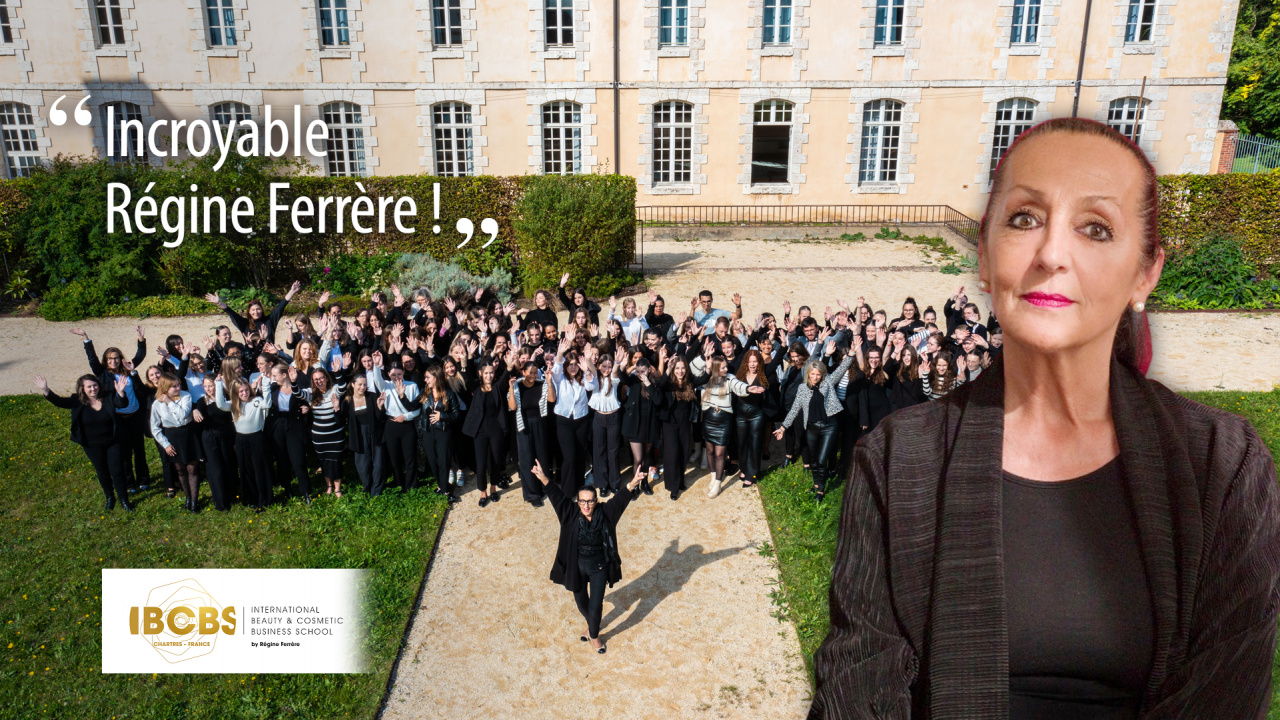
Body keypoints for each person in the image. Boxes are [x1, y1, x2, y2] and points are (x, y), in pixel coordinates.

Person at [808, 118, 1280, 719]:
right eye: (1025, 219)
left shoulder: (1223, 464)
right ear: (985, 256)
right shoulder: (897, 459)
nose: (1052, 254)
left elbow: (1224, 694)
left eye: (1096, 228)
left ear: (1145, 274)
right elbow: (857, 687)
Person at [531, 460, 644, 655]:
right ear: (578, 501)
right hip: (576, 567)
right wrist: (543, 477)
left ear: (596, 501)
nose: (586, 505)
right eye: (582, 501)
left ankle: (594, 635)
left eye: (590, 501)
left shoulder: (606, 513)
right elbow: (556, 495)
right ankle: (593, 624)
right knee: (582, 603)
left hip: (599, 567)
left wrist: (633, 483)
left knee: (595, 606)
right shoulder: (569, 513)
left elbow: (620, 500)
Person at [34, 372, 135, 512]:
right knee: (102, 471)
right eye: (89, 387)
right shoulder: (77, 400)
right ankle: (110, 498)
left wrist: (120, 392)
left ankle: (124, 500)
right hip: (92, 445)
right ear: (82, 388)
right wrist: (46, 390)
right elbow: (59, 402)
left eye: (95, 385)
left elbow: (122, 403)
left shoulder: (107, 396)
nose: (93, 389)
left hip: (113, 441)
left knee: (117, 470)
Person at [773, 343, 851, 503]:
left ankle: (821, 490)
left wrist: (852, 354)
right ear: (808, 374)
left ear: (822, 374)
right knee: (814, 460)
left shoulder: (827, 382)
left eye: (818, 374)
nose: (815, 377)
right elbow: (794, 409)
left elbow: (841, 369)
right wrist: (783, 427)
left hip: (829, 426)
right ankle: (816, 484)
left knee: (822, 460)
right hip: (812, 428)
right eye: (812, 374)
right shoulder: (802, 388)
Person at [216, 375, 273, 512]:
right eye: (240, 391)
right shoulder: (233, 404)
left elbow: (267, 404)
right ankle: (251, 499)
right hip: (241, 439)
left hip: (257, 438)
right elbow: (220, 404)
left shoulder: (256, 401)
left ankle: (263, 500)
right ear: (236, 393)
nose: (244, 393)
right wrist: (218, 385)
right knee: (246, 470)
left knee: (259, 469)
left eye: (246, 390)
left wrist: (266, 385)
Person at [461, 359, 511, 507]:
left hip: (496, 431)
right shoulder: (476, 388)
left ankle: (493, 488)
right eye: (486, 373)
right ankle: (483, 492)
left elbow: (505, 377)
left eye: (491, 373)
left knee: (495, 461)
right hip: (480, 432)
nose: (489, 376)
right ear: (480, 374)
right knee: (481, 464)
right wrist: (464, 361)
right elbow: (467, 378)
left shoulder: (497, 388)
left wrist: (509, 366)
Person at [150, 372, 202, 512]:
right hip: (172, 437)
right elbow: (154, 427)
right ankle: (187, 497)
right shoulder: (157, 404)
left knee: (192, 468)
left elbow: (183, 414)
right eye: (174, 386)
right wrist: (165, 444)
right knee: (180, 469)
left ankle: (194, 501)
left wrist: (169, 402)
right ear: (165, 388)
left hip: (188, 434)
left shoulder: (186, 396)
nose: (178, 388)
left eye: (178, 385)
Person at [509, 361, 556, 507]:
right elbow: (512, 407)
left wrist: (549, 382)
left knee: (542, 457)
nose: (533, 375)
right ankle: (532, 494)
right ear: (523, 372)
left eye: (535, 372)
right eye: (530, 372)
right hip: (523, 425)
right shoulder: (516, 385)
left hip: (539, 424)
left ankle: (545, 487)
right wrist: (511, 388)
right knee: (526, 459)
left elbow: (551, 399)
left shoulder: (542, 384)